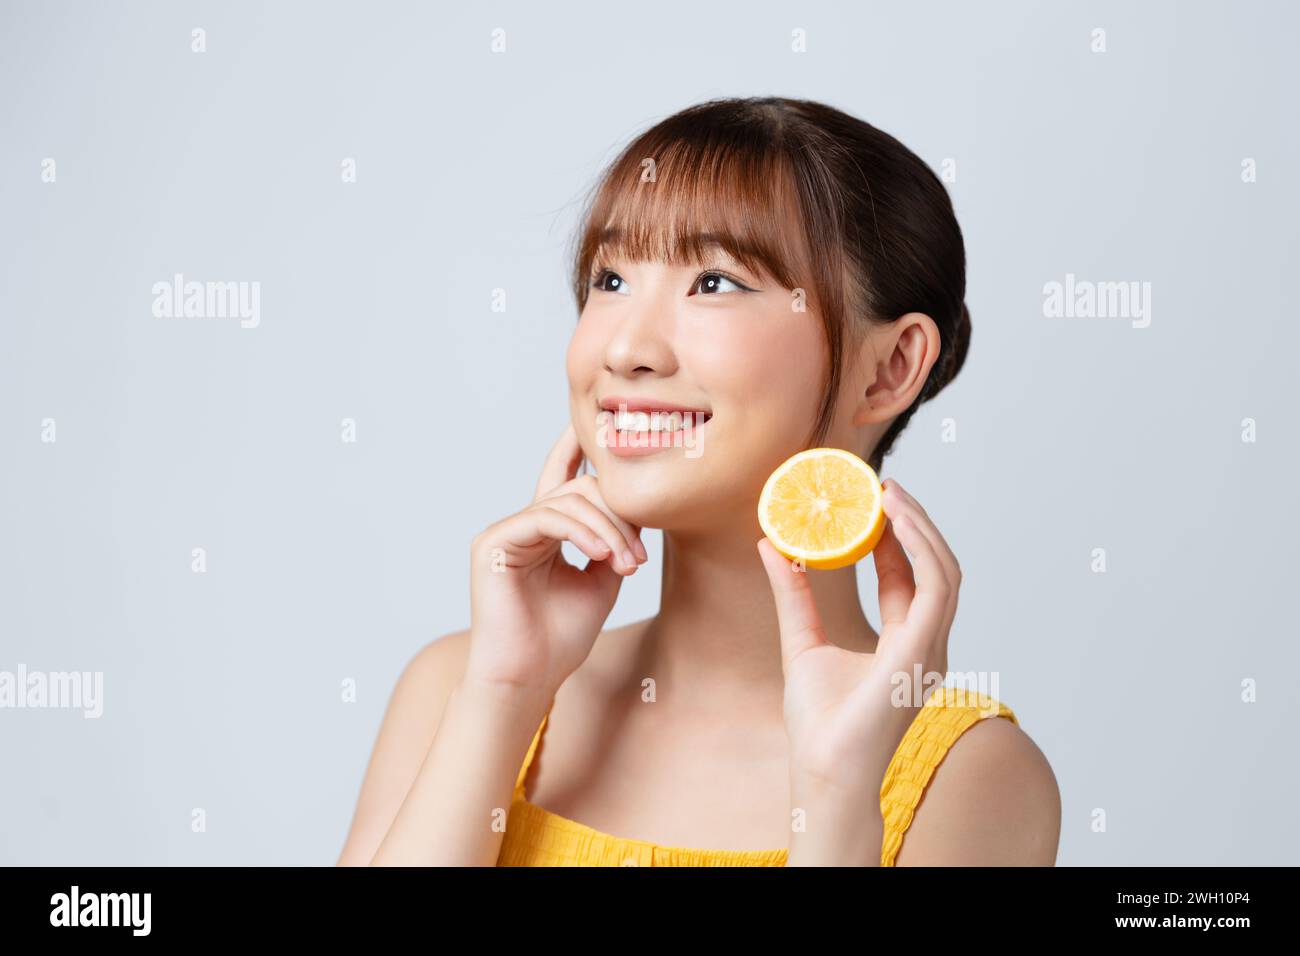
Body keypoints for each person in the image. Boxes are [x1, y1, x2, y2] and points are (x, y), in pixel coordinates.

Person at [339, 96, 1061, 867]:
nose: (625, 349)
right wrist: (505, 696)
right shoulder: (458, 683)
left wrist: (837, 788)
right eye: (610, 279)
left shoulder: (971, 777)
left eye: (714, 283)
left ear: (888, 370)